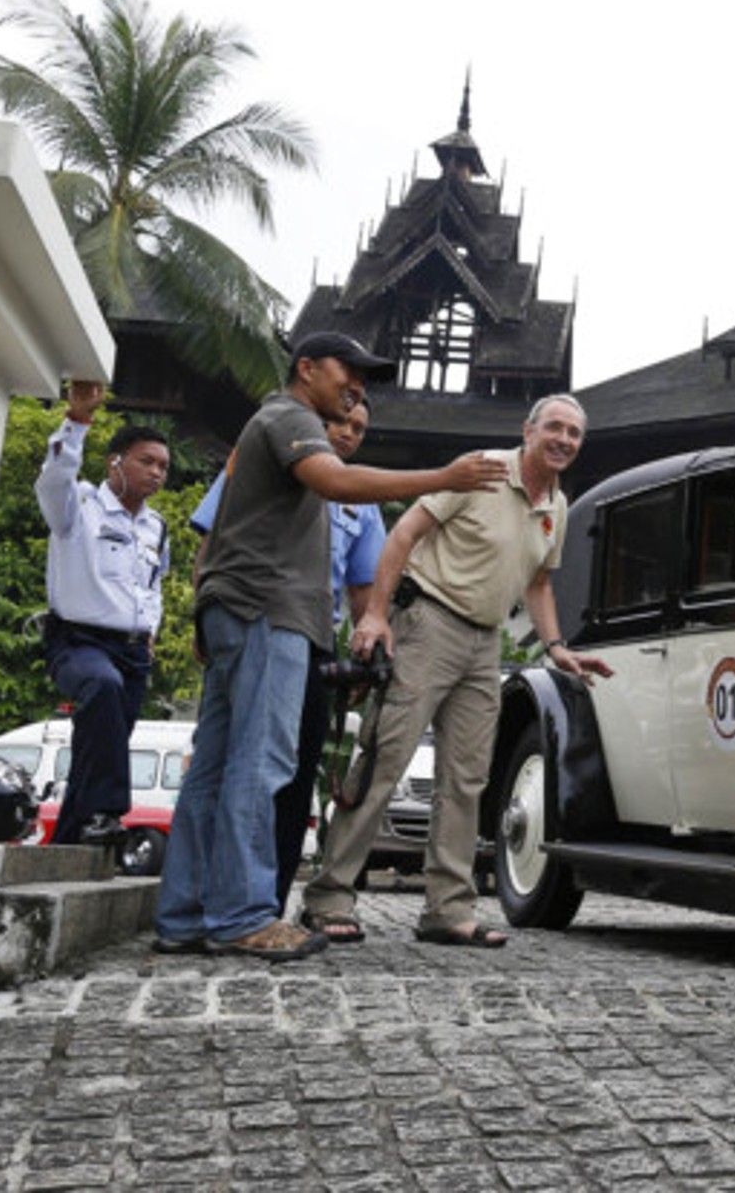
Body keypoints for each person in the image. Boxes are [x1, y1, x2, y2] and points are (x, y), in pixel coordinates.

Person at [154, 334, 506, 962]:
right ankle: (241, 915)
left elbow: (344, 563)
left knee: (213, 767)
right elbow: (336, 483)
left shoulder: (274, 424)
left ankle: (184, 913)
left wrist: (206, 611)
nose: (357, 387)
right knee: (258, 765)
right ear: (307, 369)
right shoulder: (291, 418)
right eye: (349, 371)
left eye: (367, 379)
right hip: (268, 610)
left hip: (240, 607)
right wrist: (445, 477)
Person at [301, 393, 613, 948]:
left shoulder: (557, 506)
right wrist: (376, 613)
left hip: (485, 642)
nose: (564, 440)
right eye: (555, 428)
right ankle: (329, 898)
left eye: (575, 433)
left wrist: (557, 646)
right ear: (528, 430)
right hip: (428, 623)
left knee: (467, 778)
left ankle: (448, 909)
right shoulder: (481, 472)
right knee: (386, 757)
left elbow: (538, 583)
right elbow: (404, 535)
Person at [191, 397, 384, 913]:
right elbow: (209, 547)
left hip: (315, 637)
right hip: (253, 615)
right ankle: (219, 900)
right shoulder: (261, 460)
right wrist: (202, 617)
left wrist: (366, 651)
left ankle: (267, 902)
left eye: (359, 428)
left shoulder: (360, 503)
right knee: (238, 762)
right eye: (339, 421)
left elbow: (364, 591)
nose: (347, 433)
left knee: (294, 774)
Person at [33, 381, 170, 847]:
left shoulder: (157, 526)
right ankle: (110, 810)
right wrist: (78, 421)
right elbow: (53, 479)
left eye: (163, 466)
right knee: (101, 687)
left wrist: (150, 630)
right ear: (115, 463)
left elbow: (152, 587)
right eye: (146, 461)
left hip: (131, 653)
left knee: (97, 750)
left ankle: (70, 842)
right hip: (78, 643)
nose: (156, 473)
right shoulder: (78, 507)